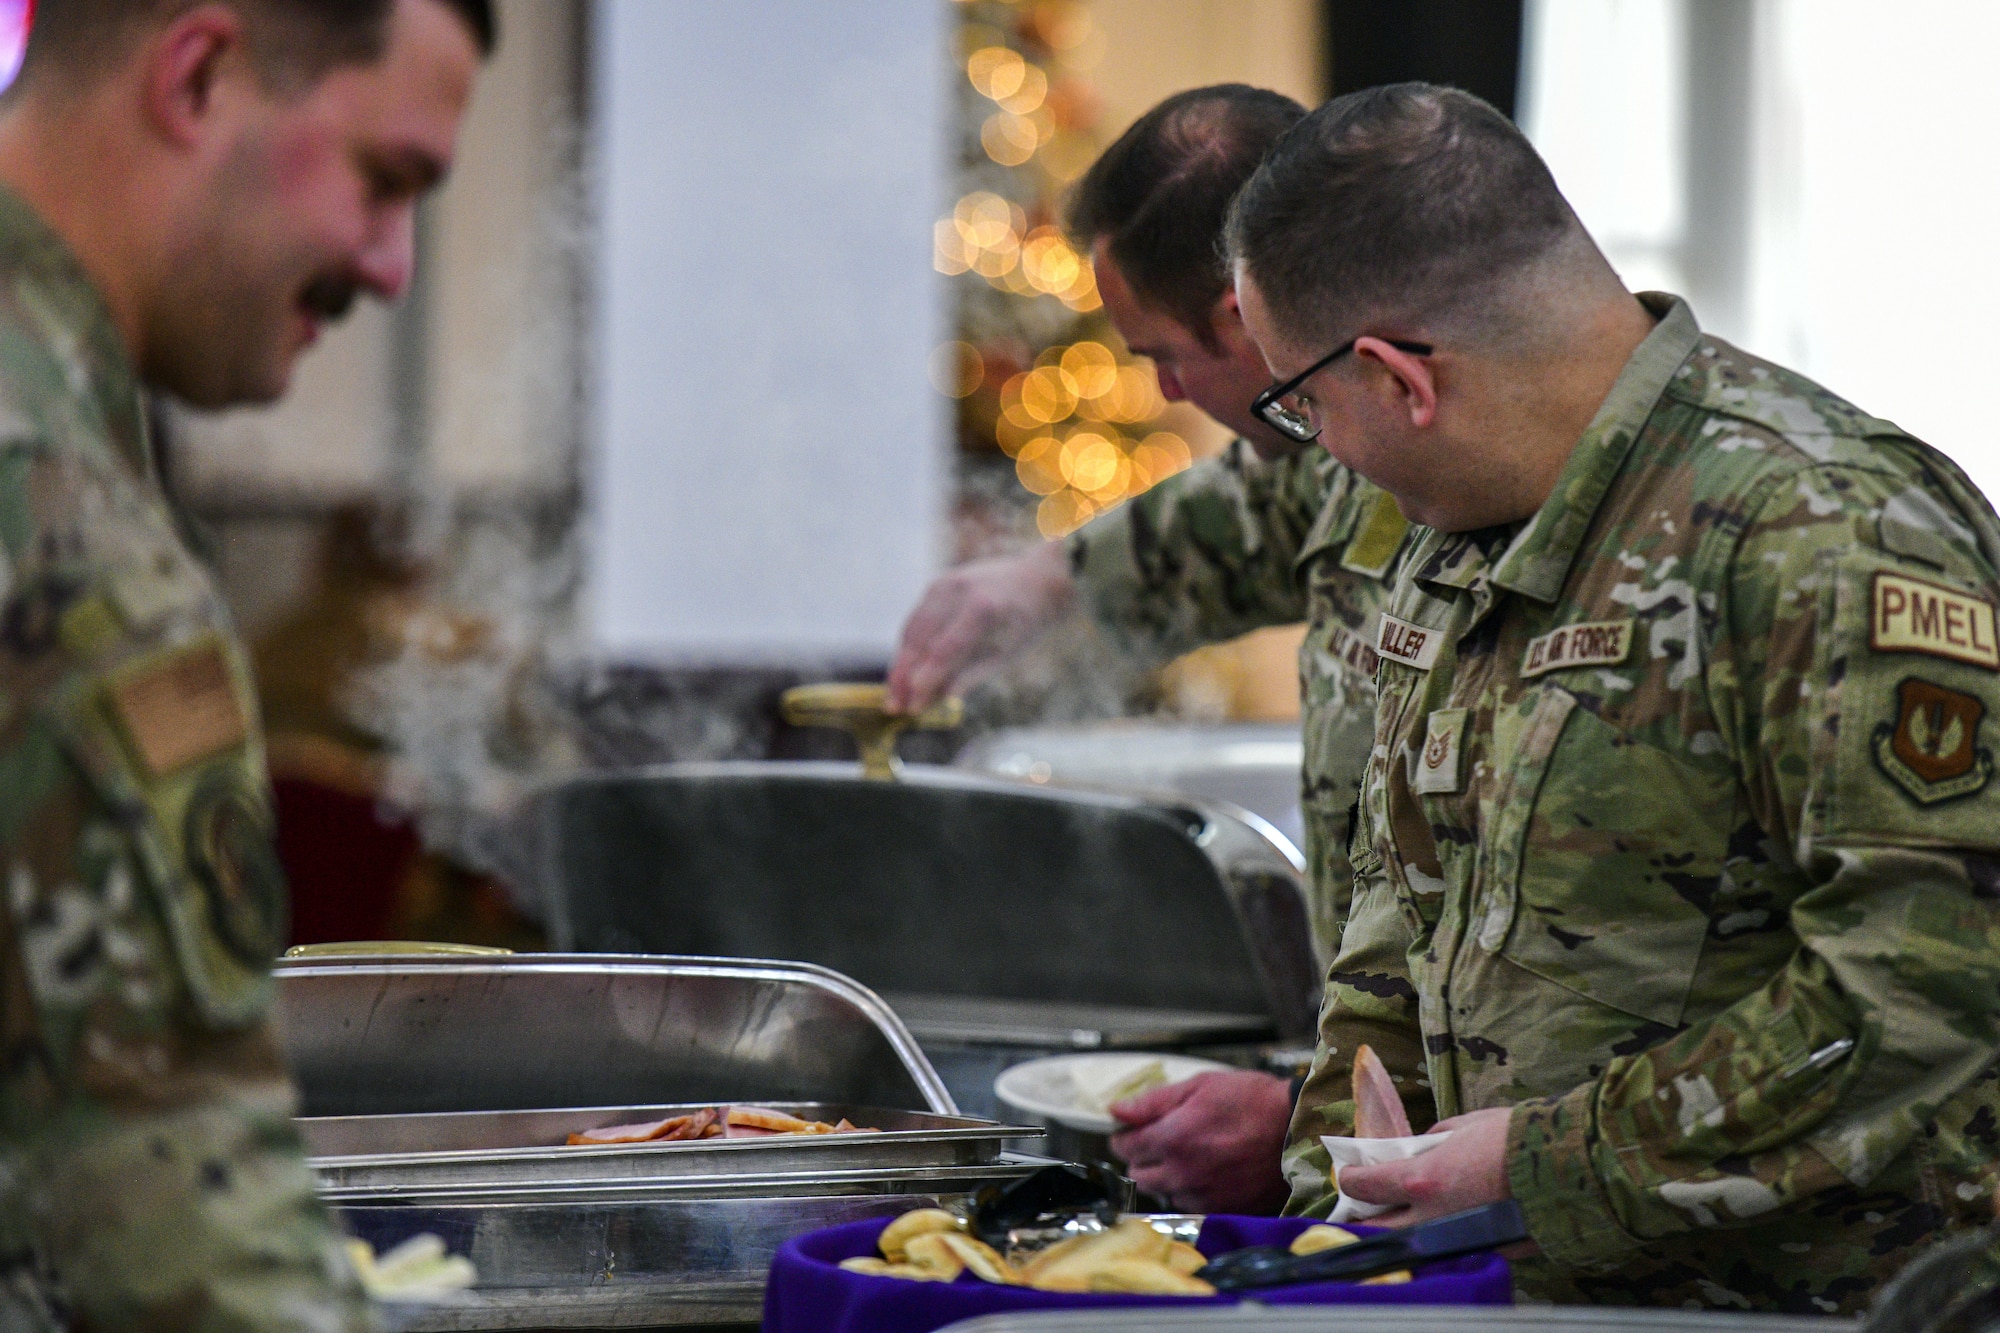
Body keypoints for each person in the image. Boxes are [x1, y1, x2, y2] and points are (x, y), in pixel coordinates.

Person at [1225, 81, 2000, 1312]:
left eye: (1304, 406)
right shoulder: (1449, 540)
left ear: (1396, 376)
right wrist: (1336, 1239)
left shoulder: (1822, 528)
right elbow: (1389, 931)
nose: (1321, 445)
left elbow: (1934, 973)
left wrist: (1543, 1170)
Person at [0, 0, 491, 1324]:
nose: (393, 266)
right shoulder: (68, 542)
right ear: (200, 74)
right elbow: (195, 1251)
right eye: (384, 180)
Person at [886, 85, 1420, 1215]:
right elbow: (1245, 511)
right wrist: (1038, 580)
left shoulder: (1449, 473)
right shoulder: (1339, 450)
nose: (1163, 391)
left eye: (1164, 354)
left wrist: (1298, 1125)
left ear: (1244, 316)